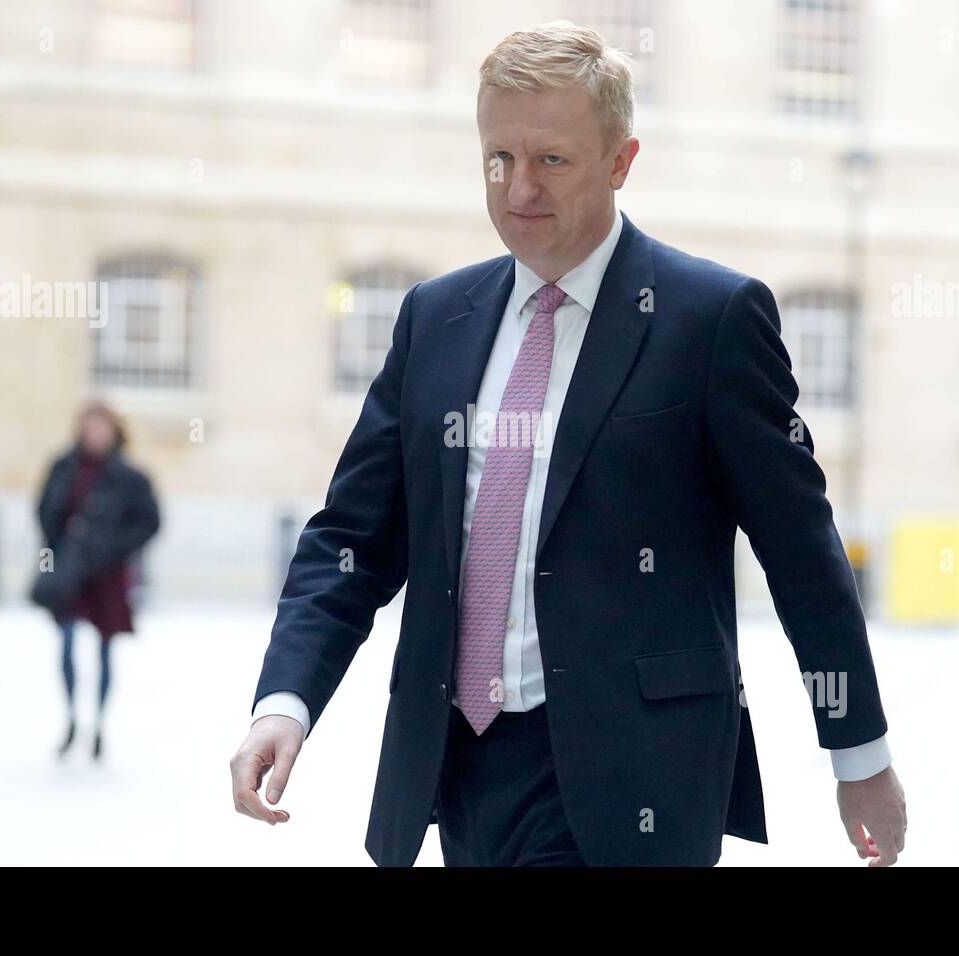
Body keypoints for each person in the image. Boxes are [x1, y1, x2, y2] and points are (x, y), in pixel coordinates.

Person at [230, 21, 907, 866]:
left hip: (638, 780)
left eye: (551, 160)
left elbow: (801, 551)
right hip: (455, 770)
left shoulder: (712, 320)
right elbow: (353, 540)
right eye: (497, 159)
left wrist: (858, 754)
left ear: (622, 162)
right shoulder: (435, 319)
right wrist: (284, 703)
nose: (519, 188)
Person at [33, 400, 160, 761]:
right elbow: (44, 510)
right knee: (68, 642)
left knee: (104, 650)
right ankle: (72, 717)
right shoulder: (64, 467)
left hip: (108, 574)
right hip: (71, 572)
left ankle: (99, 724)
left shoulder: (130, 476)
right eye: (89, 428)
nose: (94, 435)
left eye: (101, 428)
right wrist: (60, 541)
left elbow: (149, 522)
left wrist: (114, 548)